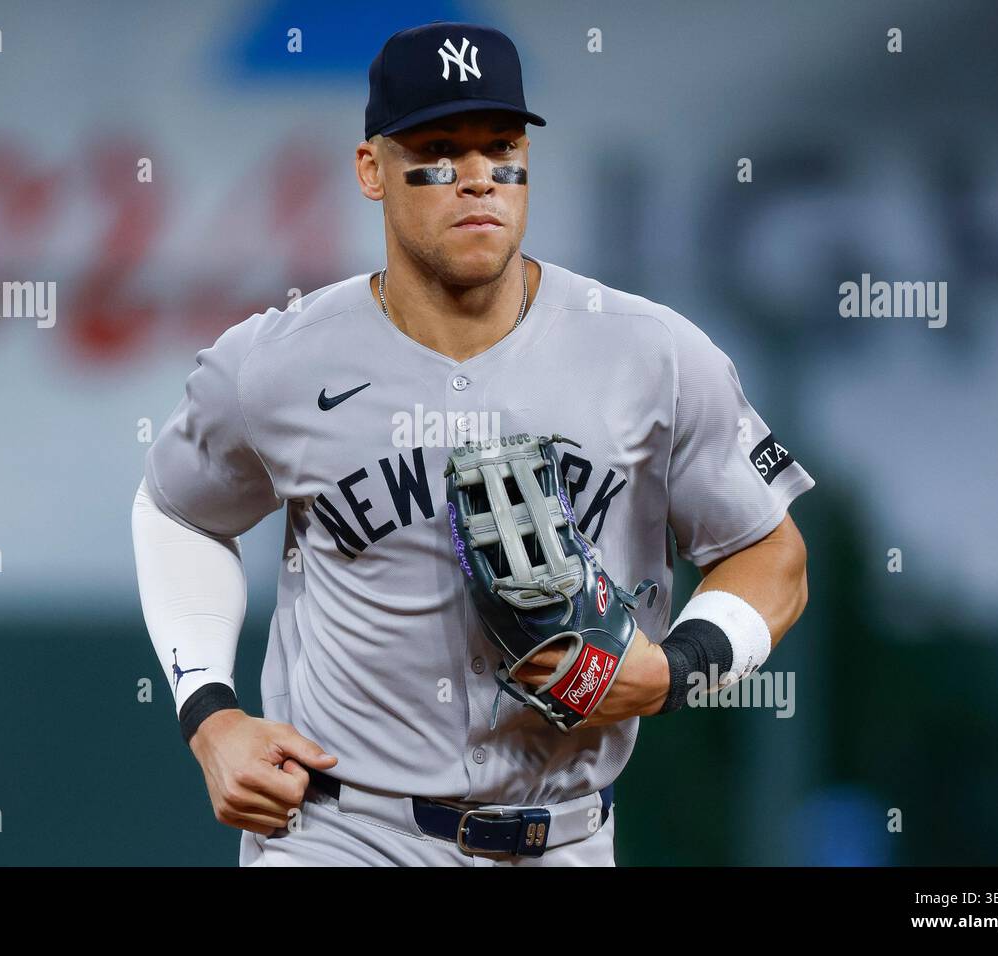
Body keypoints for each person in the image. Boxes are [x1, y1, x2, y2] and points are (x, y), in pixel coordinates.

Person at [132, 21, 814, 866]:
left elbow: (771, 552)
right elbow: (178, 513)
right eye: (440, 150)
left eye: (500, 147)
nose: (478, 179)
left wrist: (679, 670)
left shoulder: (654, 354)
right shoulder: (276, 363)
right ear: (371, 169)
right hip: (344, 831)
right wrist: (210, 714)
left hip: (566, 834)